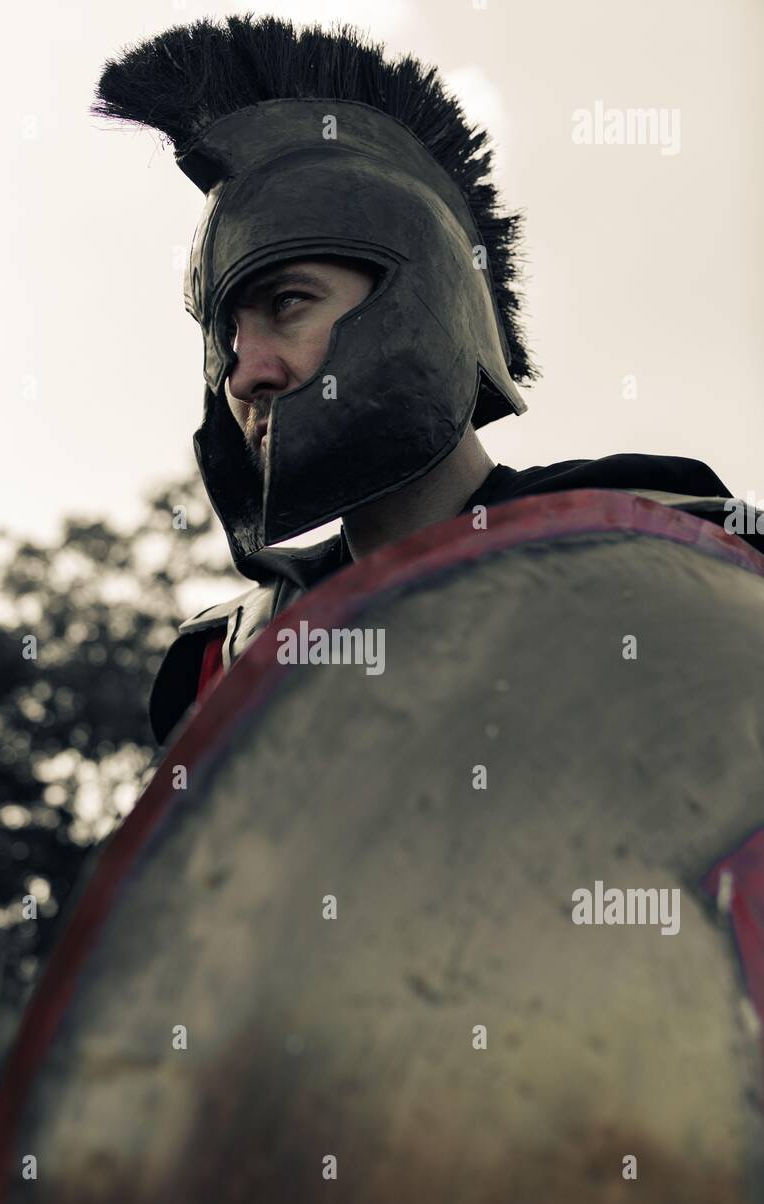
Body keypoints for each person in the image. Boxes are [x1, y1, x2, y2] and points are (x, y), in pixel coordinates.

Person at [92, 15, 754, 746]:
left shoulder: (649, 548)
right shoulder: (224, 665)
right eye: (225, 336)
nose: (246, 372)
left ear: (425, 301)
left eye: (287, 304)